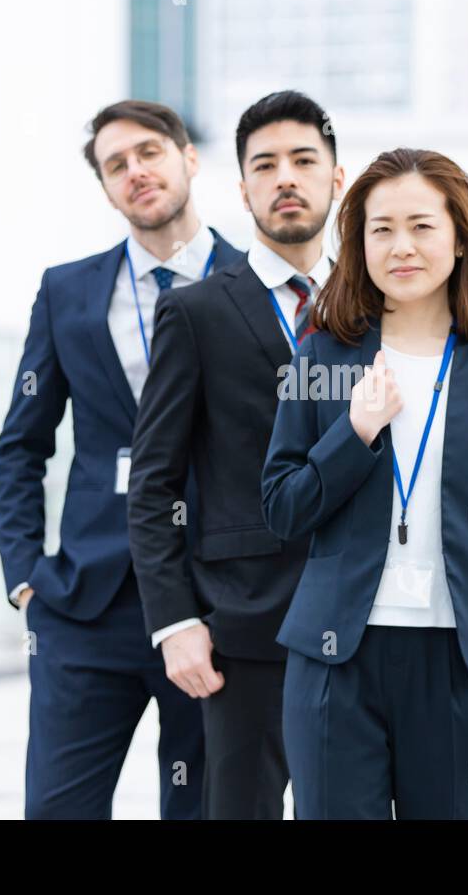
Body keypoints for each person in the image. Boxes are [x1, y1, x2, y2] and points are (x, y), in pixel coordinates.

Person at [0, 99, 241, 819]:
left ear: (188, 158)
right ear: (105, 186)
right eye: (115, 165)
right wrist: (24, 579)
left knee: (202, 810)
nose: (136, 171)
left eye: (149, 152)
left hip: (215, 602)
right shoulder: (66, 291)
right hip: (84, 604)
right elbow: (22, 444)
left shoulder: (255, 282)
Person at [262, 148, 468, 819]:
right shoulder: (319, 356)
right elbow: (283, 507)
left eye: (421, 226)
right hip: (335, 659)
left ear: (463, 239)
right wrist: (353, 434)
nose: (400, 246)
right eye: (381, 229)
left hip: (460, 664)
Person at [128, 90, 345, 819]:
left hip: (366, 614)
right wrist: (175, 621)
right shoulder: (195, 312)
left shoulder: (379, 304)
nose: (286, 177)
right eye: (266, 165)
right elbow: (153, 481)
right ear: (243, 186)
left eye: (304, 161)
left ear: (337, 178)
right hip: (243, 625)